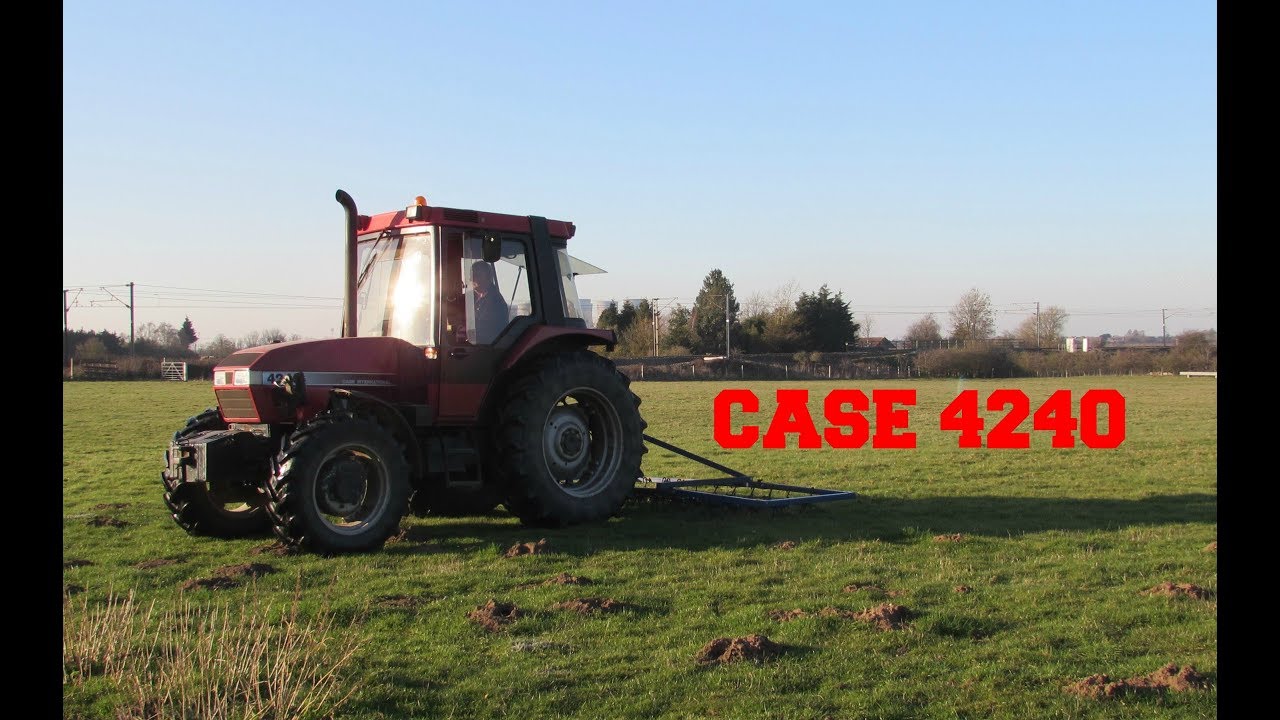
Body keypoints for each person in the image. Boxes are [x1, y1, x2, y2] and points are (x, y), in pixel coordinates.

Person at [469, 261, 508, 343]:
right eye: (471, 275)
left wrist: (467, 331)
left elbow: (486, 330)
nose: (471, 279)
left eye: (476, 275)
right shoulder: (472, 297)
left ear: (488, 277)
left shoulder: (495, 302)